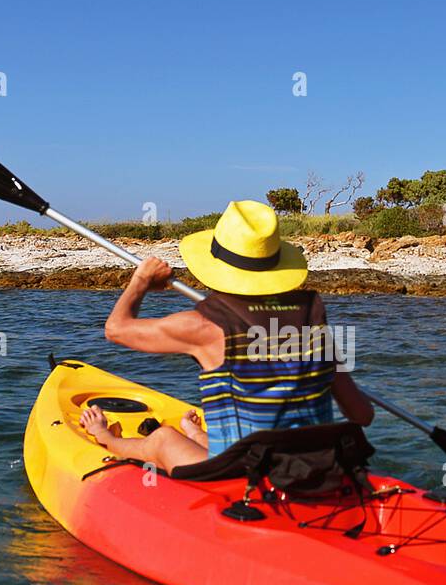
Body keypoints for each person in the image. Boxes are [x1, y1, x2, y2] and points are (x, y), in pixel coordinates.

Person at [80, 200, 373, 471]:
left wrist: (141, 280)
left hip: (245, 472)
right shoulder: (313, 324)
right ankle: (199, 436)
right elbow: (362, 415)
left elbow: (116, 329)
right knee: (255, 436)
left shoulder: (204, 326)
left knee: (163, 439)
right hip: (317, 465)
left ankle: (105, 438)